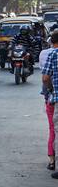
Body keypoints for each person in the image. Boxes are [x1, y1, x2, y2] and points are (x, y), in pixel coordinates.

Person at [41, 30, 58, 175]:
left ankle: (53, 161)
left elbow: (45, 78)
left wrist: (52, 91)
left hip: (54, 99)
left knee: (54, 130)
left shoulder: (51, 54)